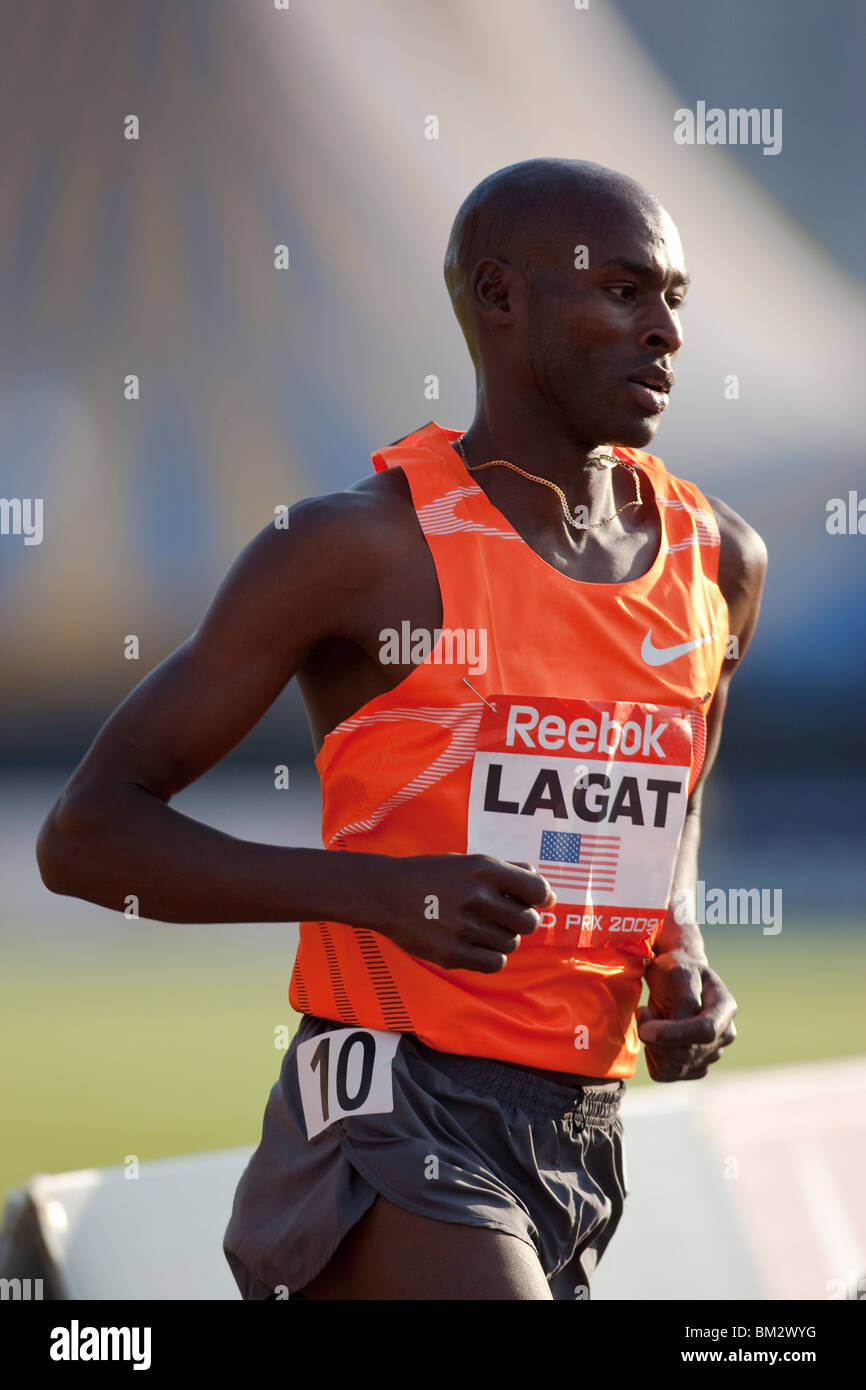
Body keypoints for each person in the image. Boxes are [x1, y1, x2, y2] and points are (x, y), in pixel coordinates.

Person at [37, 157, 767, 1301]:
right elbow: (86, 838)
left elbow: (666, 817)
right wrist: (377, 892)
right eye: (623, 292)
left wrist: (680, 953)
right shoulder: (355, 551)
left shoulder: (716, 561)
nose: (664, 330)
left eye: (673, 296)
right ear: (497, 296)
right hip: (386, 1105)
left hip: (577, 1130)